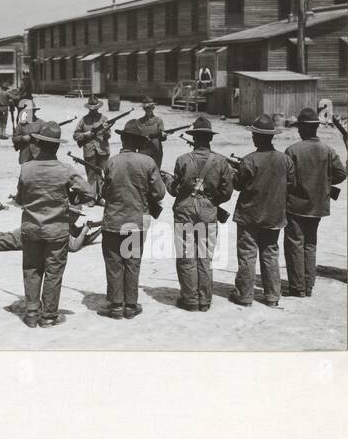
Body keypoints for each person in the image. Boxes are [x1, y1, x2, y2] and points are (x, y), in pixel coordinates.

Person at [13, 122, 95, 328]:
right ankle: (49, 315)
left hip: (31, 228)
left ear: (38, 144)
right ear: (57, 147)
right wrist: (71, 199)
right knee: (53, 271)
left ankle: (32, 312)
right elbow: (90, 193)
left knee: (31, 268)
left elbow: (20, 199)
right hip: (56, 229)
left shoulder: (26, 169)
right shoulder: (66, 171)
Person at [165, 116, 235, 312]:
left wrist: (168, 182)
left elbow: (175, 189)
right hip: (208, 211)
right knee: (204, 256)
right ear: (210, 139)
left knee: (187, 255)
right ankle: (204, 300)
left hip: (185, 210)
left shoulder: (182, 160)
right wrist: (212, 202)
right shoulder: (221, 162)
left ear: (194, 138)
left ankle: (189, 299)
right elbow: (227, 192)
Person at [99, 119, 166, 320]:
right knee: (132, 262)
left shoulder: (110, 162)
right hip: (137, 221)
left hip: (113, 220)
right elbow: (160, 193)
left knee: (114, 262)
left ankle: (116, 304)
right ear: (139, 142)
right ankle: (130, 305)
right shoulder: (148, 162)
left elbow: (104, 193)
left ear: (122, 138)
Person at [231, 114, 295, 308]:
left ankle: (244, 295)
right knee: (270, 254)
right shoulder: (285, 160)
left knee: (247, 255)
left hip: (249, 216)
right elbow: (291, 185)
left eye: (254, 135)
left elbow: (237, 185)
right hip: (274, 216)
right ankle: (273, 296)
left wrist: (235, 171)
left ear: (257, 137)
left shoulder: (249, 161)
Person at [284, 106, 348, 297]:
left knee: (295, 244)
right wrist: (325, 184)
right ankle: (308, 285)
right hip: (317, 206)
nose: (297, 130)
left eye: (299, 127)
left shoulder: (292, 150)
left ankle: (297, 287)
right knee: (310, 244)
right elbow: (341, 174)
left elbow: (287, 179)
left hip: (295, 205)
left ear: (304, 128)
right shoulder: (328, 150)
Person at [0, 217, 102, 253]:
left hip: (30, 230)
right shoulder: (62, 226)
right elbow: (74, 247)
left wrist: (99, 228)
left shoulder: (65, 221)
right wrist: (85, 230)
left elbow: (84, 239)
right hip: (27, 236)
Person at [72, 96, 110, 199]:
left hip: (102, 150)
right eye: (92, 109)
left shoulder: (104, 118)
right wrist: (85, 135)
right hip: (89, 151)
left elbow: (108, 136)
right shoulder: (83, 120)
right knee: (91, 176)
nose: (94, 111)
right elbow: (75, 136)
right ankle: (91, 198)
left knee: (104, 174)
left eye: (96, 108)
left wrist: (106, 130)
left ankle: (103, 197)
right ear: (88, 108)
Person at [134, 97, 167, 167]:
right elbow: (135, 138)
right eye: (146, 108)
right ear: (144, 109)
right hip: (143, 151)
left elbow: (163, 138)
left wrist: (164, 136)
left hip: (156, 151)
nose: (148, 110)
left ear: (153, 108)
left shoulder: (158, 121)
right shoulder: (139, 122)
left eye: (150, 108)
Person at [12, 99, 43, 166]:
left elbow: (47, 139)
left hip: (37, 156)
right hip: (25, 156)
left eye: (32, 110)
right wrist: (22, 138)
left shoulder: (41, 123)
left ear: (35, 111)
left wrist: (38, 138)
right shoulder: (21, 124)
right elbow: (14, 138)